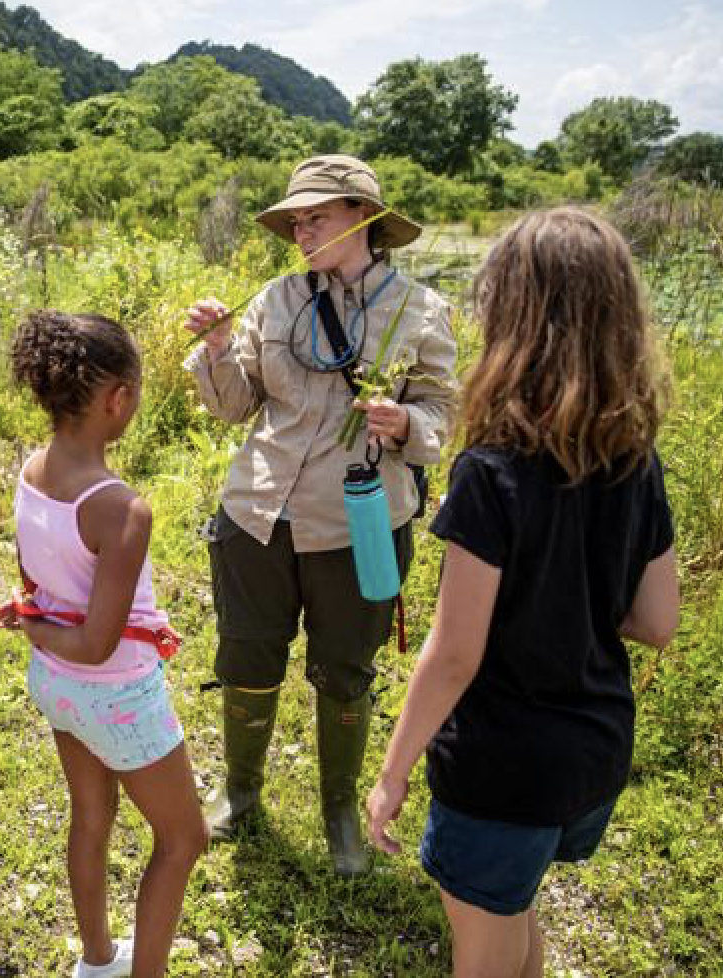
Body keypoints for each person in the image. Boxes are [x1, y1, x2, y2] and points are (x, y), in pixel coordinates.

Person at [366, 207, 679, 978]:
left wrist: (391, 772)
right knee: (513, 907)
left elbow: (454, 655)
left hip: (500, 767)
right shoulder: (637, 462)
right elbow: (657, 620)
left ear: (511, 315)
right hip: (594, 752)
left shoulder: (492, 472)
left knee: (485, 940)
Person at [183, 154, 458, 874]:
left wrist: (405, 423)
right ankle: (241, 793)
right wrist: (217, 349)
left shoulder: (420, 310)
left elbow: (444, 413)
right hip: (256, 513)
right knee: (247, 655)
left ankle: (339, 809)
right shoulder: (275, 299)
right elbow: (237, 406)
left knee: (344, 669)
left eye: (318, 217)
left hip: (359, 522)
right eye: (295, 220)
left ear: (365, 219)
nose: (301, 232)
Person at [0, 311, 208, 978]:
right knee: (183, 838)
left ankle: (97, 961)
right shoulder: (119, 508)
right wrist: (35, 627)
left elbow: (44, 585)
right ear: (118, 397)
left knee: (91, 815)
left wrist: (35, 631)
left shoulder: (31, 470)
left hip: (55, 687)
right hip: (114, 693)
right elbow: (96, 643)